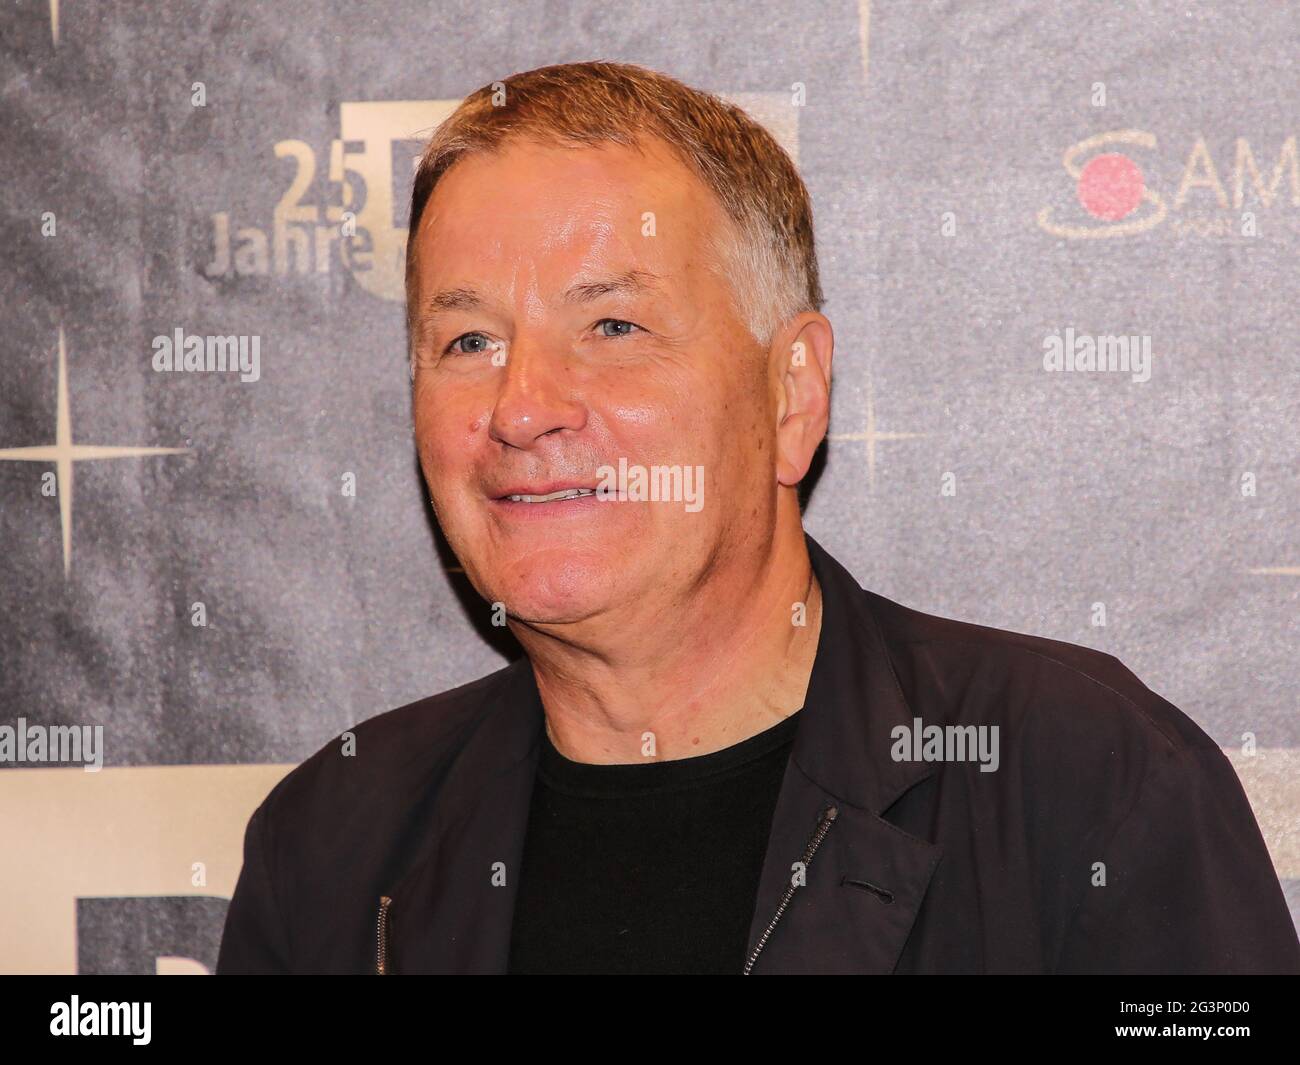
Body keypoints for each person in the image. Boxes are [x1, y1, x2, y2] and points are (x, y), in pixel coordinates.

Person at [216, 61, 1299, 975]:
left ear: (792, 393)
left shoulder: (1082, 785)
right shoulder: (334, 850)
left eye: (614, 323)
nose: (522, 406)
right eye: (466, 343)